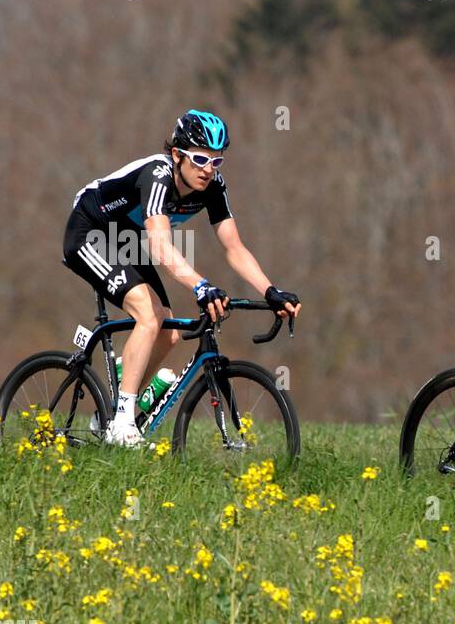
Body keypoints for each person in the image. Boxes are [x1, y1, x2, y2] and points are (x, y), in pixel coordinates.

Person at [61, 109, 301, 446]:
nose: (208, 170)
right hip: (90, 233)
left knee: (168, 333)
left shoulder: (212, 186)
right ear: (177, 155)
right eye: (200, 159)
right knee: (147, 314)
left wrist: (270, 289)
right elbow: (159, 244)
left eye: (216, 162)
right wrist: (201, 286)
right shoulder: (158, 175)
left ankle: (111, 414)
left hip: (127, 240)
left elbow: (233, 247)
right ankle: (122, 424)